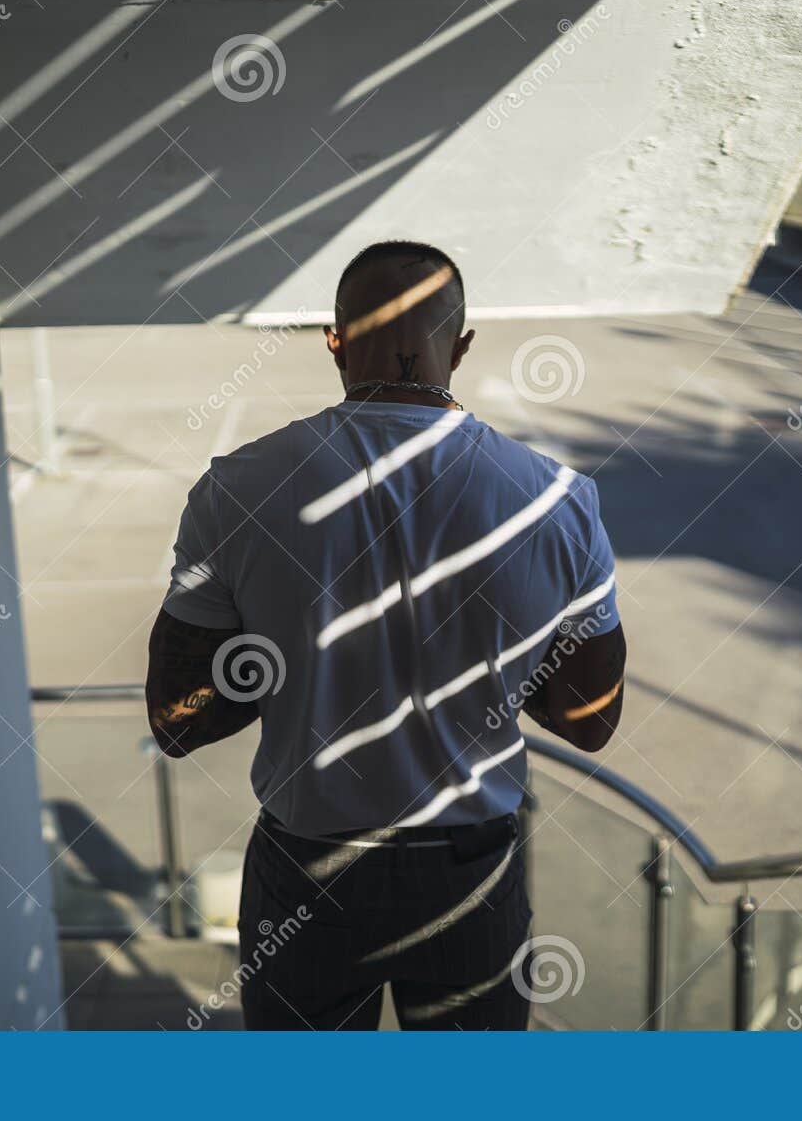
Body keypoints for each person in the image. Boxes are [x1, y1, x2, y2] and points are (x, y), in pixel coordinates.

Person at [145, 240, 625, 1030]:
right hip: (469, 871)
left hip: (307, 869)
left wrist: (293, 665)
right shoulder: (557, 499)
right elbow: (591, 720)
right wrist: (495, 664)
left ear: (334, 342)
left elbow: (178, 720)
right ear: (460, 346)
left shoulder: (236, 488)